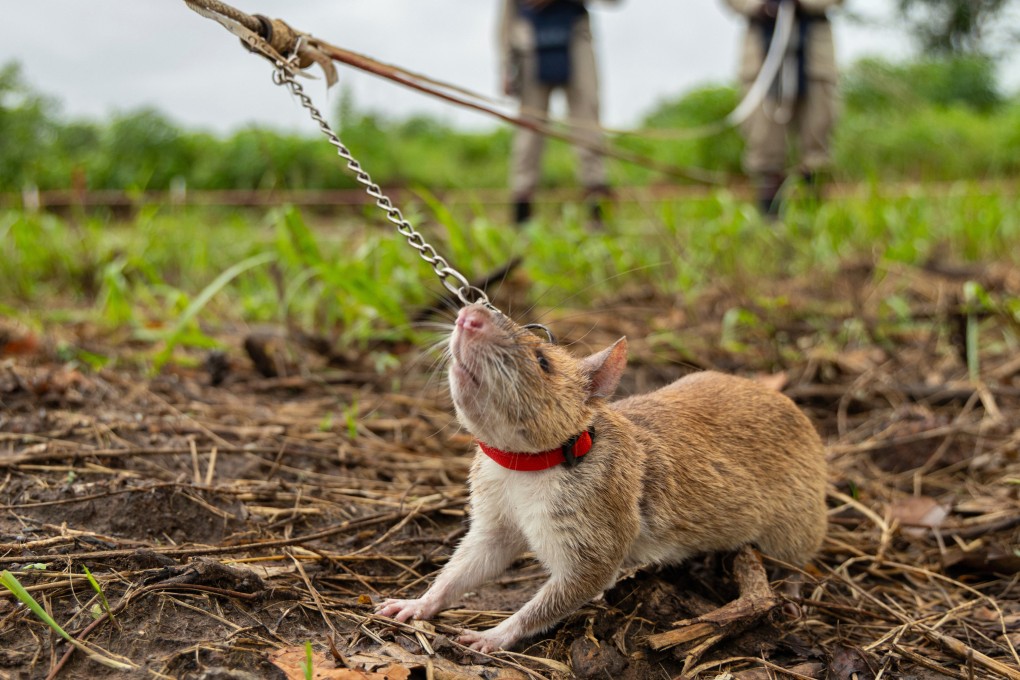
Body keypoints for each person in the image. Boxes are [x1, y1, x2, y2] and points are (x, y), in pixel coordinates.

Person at [498, 0, 616, 226]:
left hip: (575, 38)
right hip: (528, 44)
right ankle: (522, 216)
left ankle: (597, 209)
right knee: (529, 129)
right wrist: (505, 64)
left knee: (587, 126)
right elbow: (506, 14)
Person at [724, 0, 841, 217]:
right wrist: (760, 6)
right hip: (760, 48)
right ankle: (770, 222)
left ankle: (814, 217)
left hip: (815, 47)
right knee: (763, 136)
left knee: (817, 129)